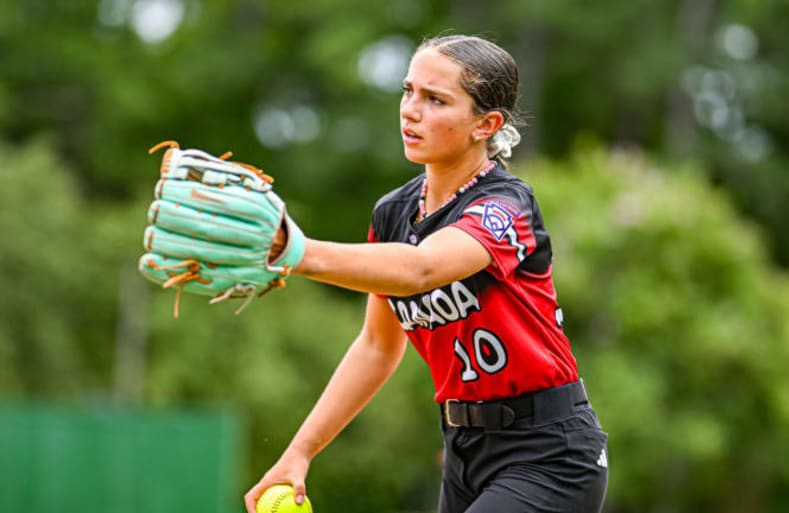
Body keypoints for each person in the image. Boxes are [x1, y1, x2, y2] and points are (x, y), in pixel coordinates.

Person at [243, 34, 609, 513]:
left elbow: (423, 268)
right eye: (408, 90)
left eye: (435, 99)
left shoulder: (505, 206)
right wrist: (300, 451)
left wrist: (299, 251)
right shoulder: (393, 213)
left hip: (549, 452)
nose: (410, 110)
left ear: (487, 124)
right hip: (463, 451)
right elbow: (377, 346)